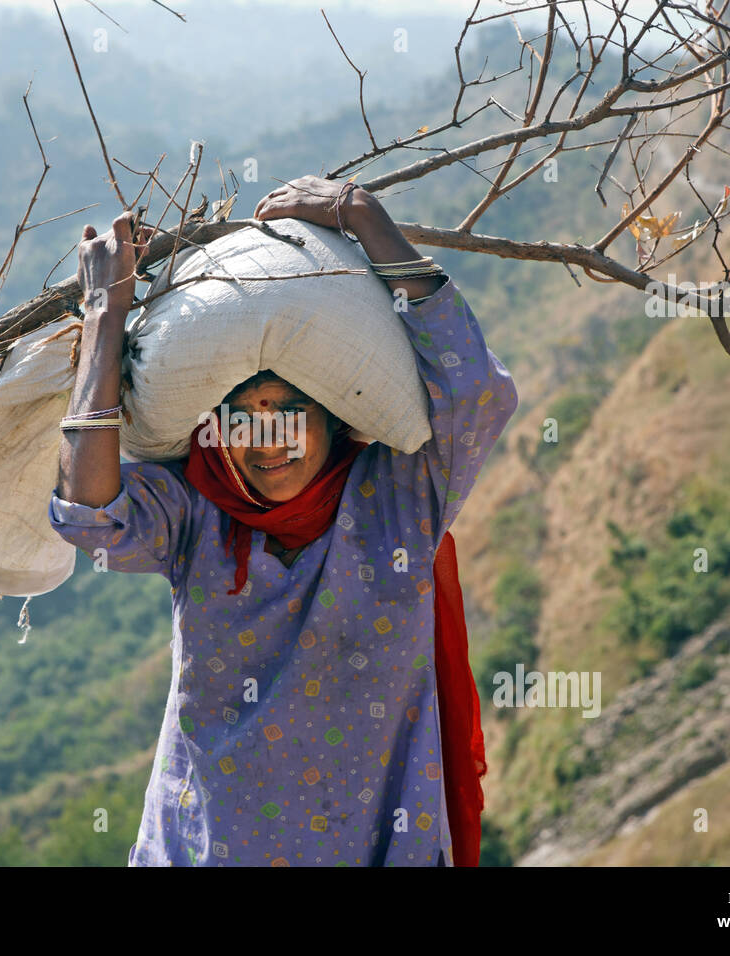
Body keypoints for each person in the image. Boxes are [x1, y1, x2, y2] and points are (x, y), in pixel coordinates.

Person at [48, 175, 518, 866]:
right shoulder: (195, 513)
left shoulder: (400, 501)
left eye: (289, 412)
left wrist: (363, 217)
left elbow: (475, 393)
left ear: (334, 412)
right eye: (243, 416)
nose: (268, 443)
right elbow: (89, 517)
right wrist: (104, 318)